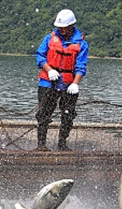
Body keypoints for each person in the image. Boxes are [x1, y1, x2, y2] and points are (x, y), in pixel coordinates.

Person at [34, 9, 88, 150]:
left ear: (71, 26)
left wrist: (76, 83)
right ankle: (41, 144)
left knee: (68, 114)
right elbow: (40, 56)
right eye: (59, 27)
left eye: (64, 27)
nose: (61, 29)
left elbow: (81, 66)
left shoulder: (81, 43)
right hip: (48, 81)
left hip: (68, 84)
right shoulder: (49, 38)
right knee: (44, 112)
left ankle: (62, 143)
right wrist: (49, 69)